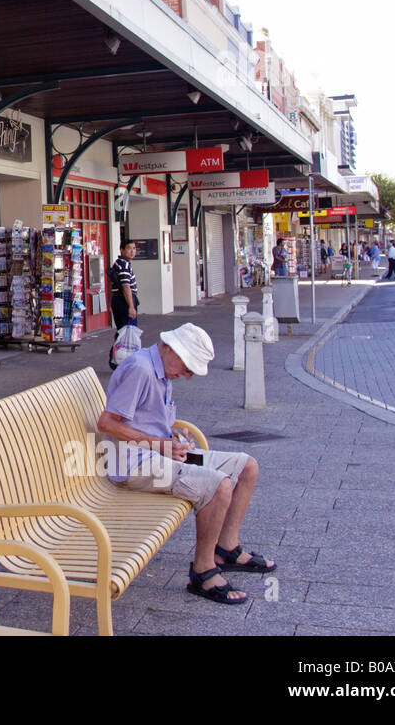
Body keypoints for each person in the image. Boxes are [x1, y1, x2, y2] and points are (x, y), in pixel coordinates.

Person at [96, 323, 274, 605]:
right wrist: (161, 444)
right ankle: (203, 571)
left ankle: (226, 548)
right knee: (218, 486)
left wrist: (174, 437)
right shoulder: (141, 369)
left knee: (247, 466)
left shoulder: (161, 370)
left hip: (158, 455)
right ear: (168, 348)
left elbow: (146, 422)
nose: (187, 376)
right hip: (132, 464)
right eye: (188, 367)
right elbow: (106, 423)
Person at [108, 240, 139, 369]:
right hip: (124, 302)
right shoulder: (124, 266)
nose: (132, 251)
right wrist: (131, 307)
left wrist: (110, 302)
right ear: (121, 250)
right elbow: (126, 287)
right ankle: (119, 359)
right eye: (129, 248)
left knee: (123, 331)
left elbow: (111, 285)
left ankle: (118, 358)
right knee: (127, 330)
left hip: (118, 301)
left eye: (134, 248)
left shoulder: (118, 264)